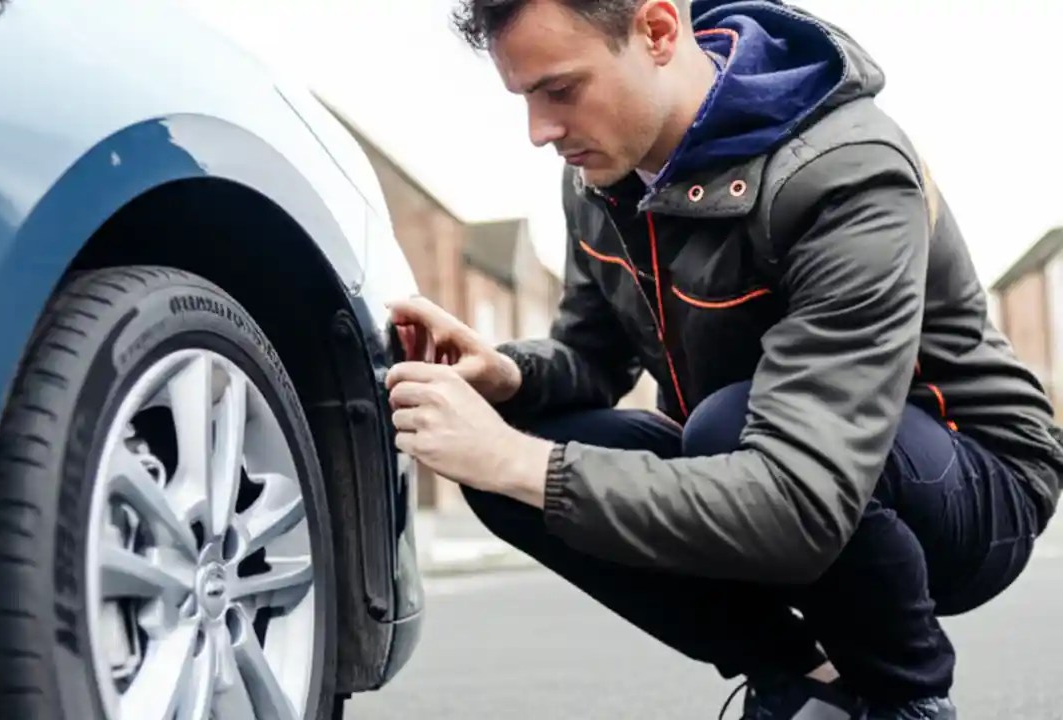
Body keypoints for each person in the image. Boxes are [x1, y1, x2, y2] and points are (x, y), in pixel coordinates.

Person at [382, 0, 1063, 718]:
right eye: (524, 99)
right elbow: (594, 358)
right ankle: (806, 687)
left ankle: (903, 701)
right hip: (756, 460)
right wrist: (507, 375)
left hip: (972, 484)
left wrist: (516, 462)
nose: (540, 132)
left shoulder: (845, 168)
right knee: (512, 447)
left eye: (560, 90)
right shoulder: (598, 172)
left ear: (656, 31)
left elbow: (802, 497)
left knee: (696, 430)